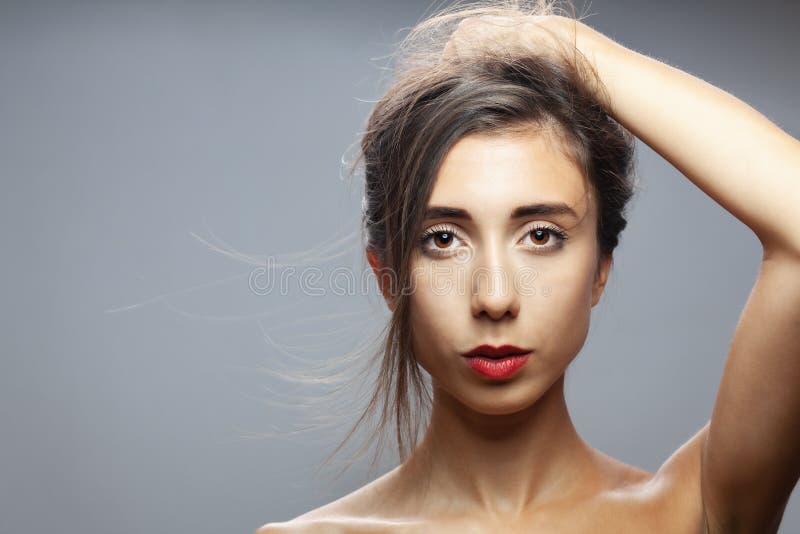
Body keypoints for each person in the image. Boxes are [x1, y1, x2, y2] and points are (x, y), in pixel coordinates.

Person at [257, 1, 800, 532]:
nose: (494, 298)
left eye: (540, 235)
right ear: (388, 279)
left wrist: (567, 45)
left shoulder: (688, 516)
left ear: (600, 268)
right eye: (443, 239)